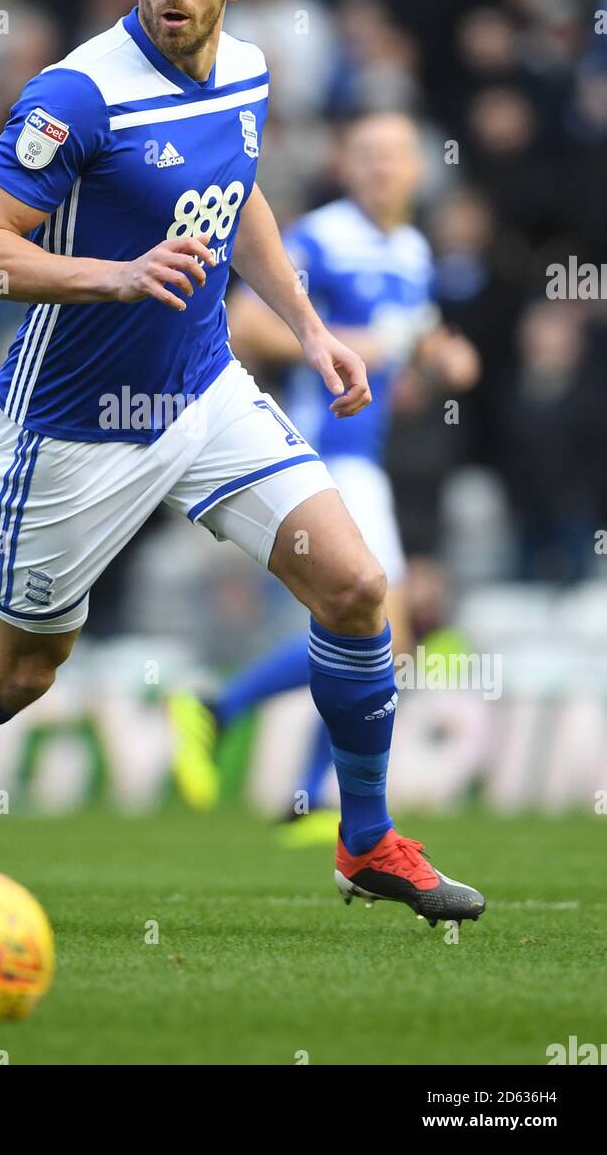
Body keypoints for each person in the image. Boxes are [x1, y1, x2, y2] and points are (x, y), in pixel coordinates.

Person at [0, 0, 484, 930]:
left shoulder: (247, 71)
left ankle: (367, 839)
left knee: (360, 588)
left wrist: (312, 327)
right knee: (22, 665)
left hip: (199, 391)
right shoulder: (77, 94)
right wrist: (114, 272)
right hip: (71, 424)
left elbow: (240, 198)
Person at [169, 113, 480, 845]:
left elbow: (411, 331)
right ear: (346, 166)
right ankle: (225, 713)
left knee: (365, 632)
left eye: (392, 156)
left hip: (365, 457)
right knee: (381, 633)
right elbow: (246, 323)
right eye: (365, 155)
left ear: (414, 170)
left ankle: (310, 794)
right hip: (322, 450)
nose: (379, 168)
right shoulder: (320, 236)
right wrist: (335, 344)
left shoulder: (408, 249)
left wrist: (443, 356)